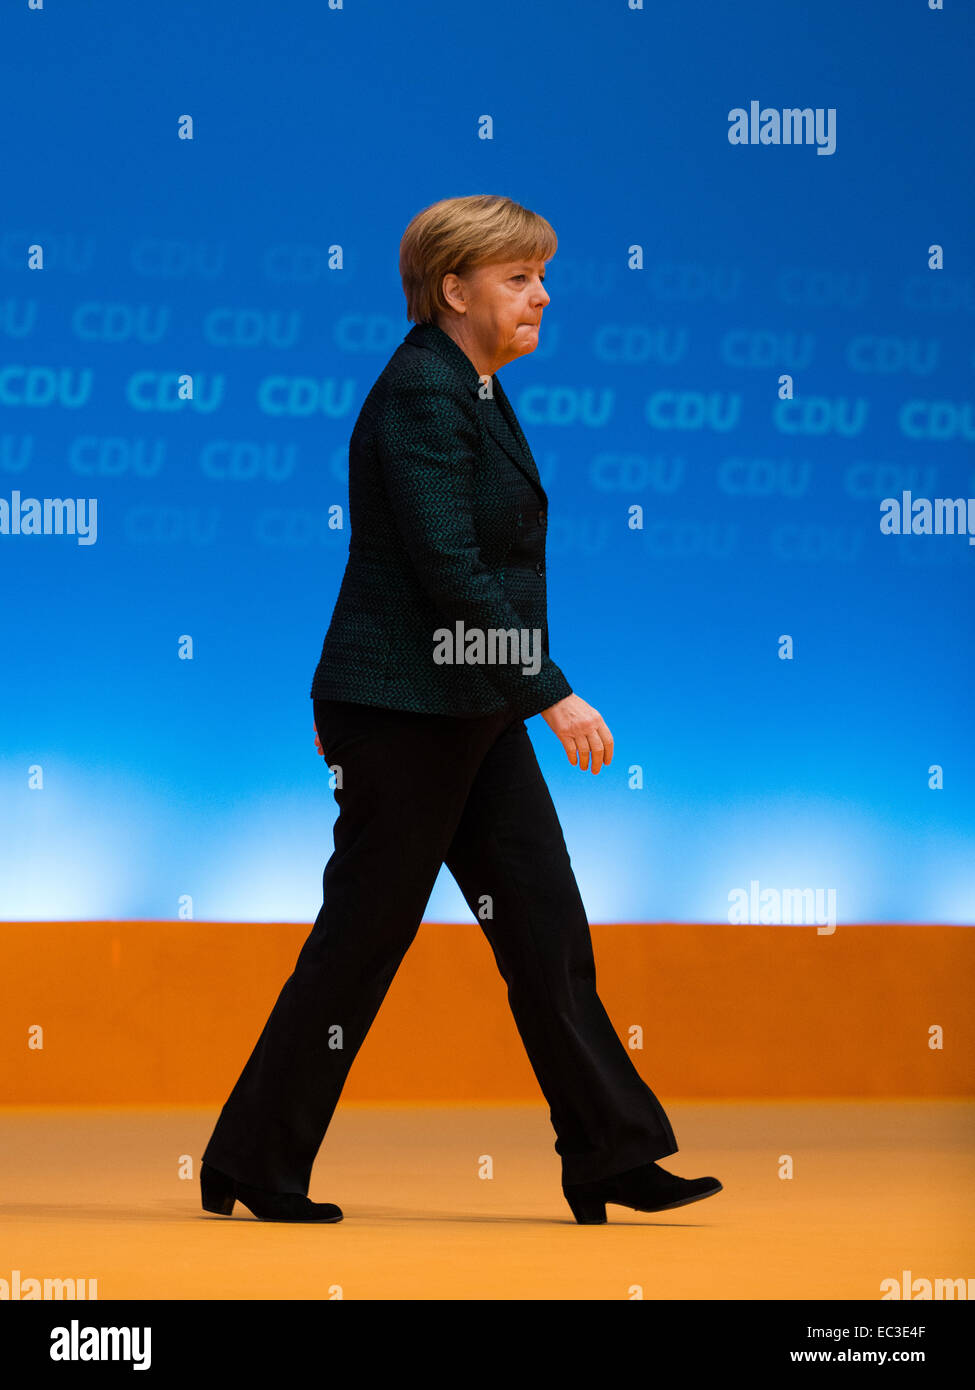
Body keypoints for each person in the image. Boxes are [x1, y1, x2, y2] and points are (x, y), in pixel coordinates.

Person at [200, 194, 722, 1225]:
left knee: (543, 923)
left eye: (541, 275)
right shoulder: (424, 394)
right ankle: (253, 1161)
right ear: (454, 289)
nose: (543, 294)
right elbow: (447, 567)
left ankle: (609, 1153)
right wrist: (554, 693)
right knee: (362, 940)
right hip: (406, 713)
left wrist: (513, 695)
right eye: (520, 277)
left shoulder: (468, 387)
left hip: (460, 706)